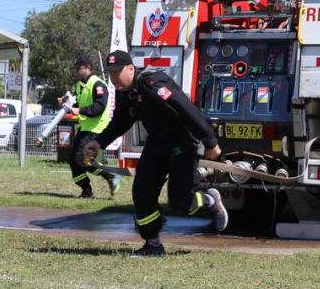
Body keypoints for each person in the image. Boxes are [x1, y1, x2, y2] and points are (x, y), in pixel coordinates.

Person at [88, 50, 228, 257]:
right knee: (142, 193)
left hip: (183, 143)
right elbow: (121, 121)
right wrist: (99, 142)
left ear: (131, 69)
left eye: (117, 72)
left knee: (181, 203)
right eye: (110, 73)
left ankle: (211, 201)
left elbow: (185, 108)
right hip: (157, 143)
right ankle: (153, 245)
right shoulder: (125, 92)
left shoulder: (152, 84)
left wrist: (210, 141)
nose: (113, 77)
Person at [62, 55, 120, 198]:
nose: (76, 71)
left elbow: (99, 107)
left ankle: (111, 177)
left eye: (78, 68)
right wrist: (65, 103)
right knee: (75, 162)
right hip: (85, 128)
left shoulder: (98, 84)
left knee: (83, 160)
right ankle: (86, 192)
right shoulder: (79, 85)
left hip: (96, 129)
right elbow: (78, 104)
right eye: (75, 68)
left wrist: (79, 111)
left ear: (88, 67)